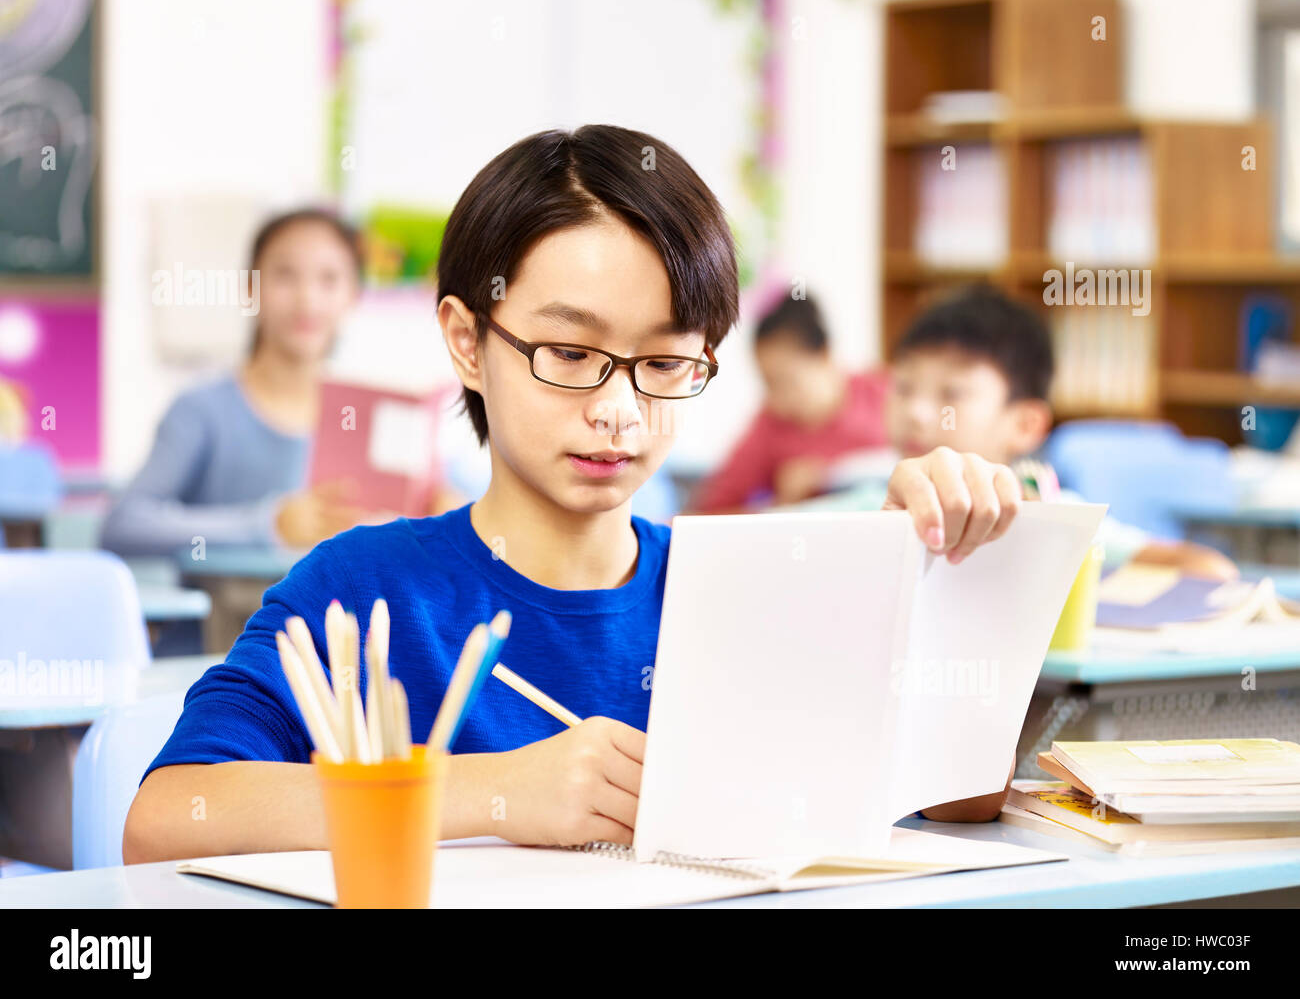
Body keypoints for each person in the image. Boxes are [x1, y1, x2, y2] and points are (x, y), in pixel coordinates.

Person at [124, 126, 1022, 864]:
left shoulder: (742, 589)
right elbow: (166, 817)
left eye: (666, 362)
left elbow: (961, 802)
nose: (620, 411)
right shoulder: (367, 591)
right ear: (468, 342)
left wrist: (943, 571)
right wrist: (497, 790)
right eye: (570, 354)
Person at [801, 286, 1237, 580]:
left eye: (951, 392)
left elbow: (1205, 568)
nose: (915, 412)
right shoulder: (872, 503)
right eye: (905, 387)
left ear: (1025, 424)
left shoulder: (1052, 514)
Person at [100, 209, 459, 558]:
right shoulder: (201, 411)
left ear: (353, 296)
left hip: (344, 617)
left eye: (329, 279)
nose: (307, 299)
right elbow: (123, 525)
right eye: (285, 276)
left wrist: (453, 514)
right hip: (233, 616)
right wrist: (266, 525)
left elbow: (465, 503)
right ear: (250, 289)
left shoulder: (378, 414)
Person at [690, 292, 891, 511]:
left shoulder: (885, 393)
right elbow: (711, 509)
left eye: (785, 381)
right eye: (768, 384)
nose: (777, 399)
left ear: (824, 355)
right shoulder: (769, 424)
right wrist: (781, 502)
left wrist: (827, 475)